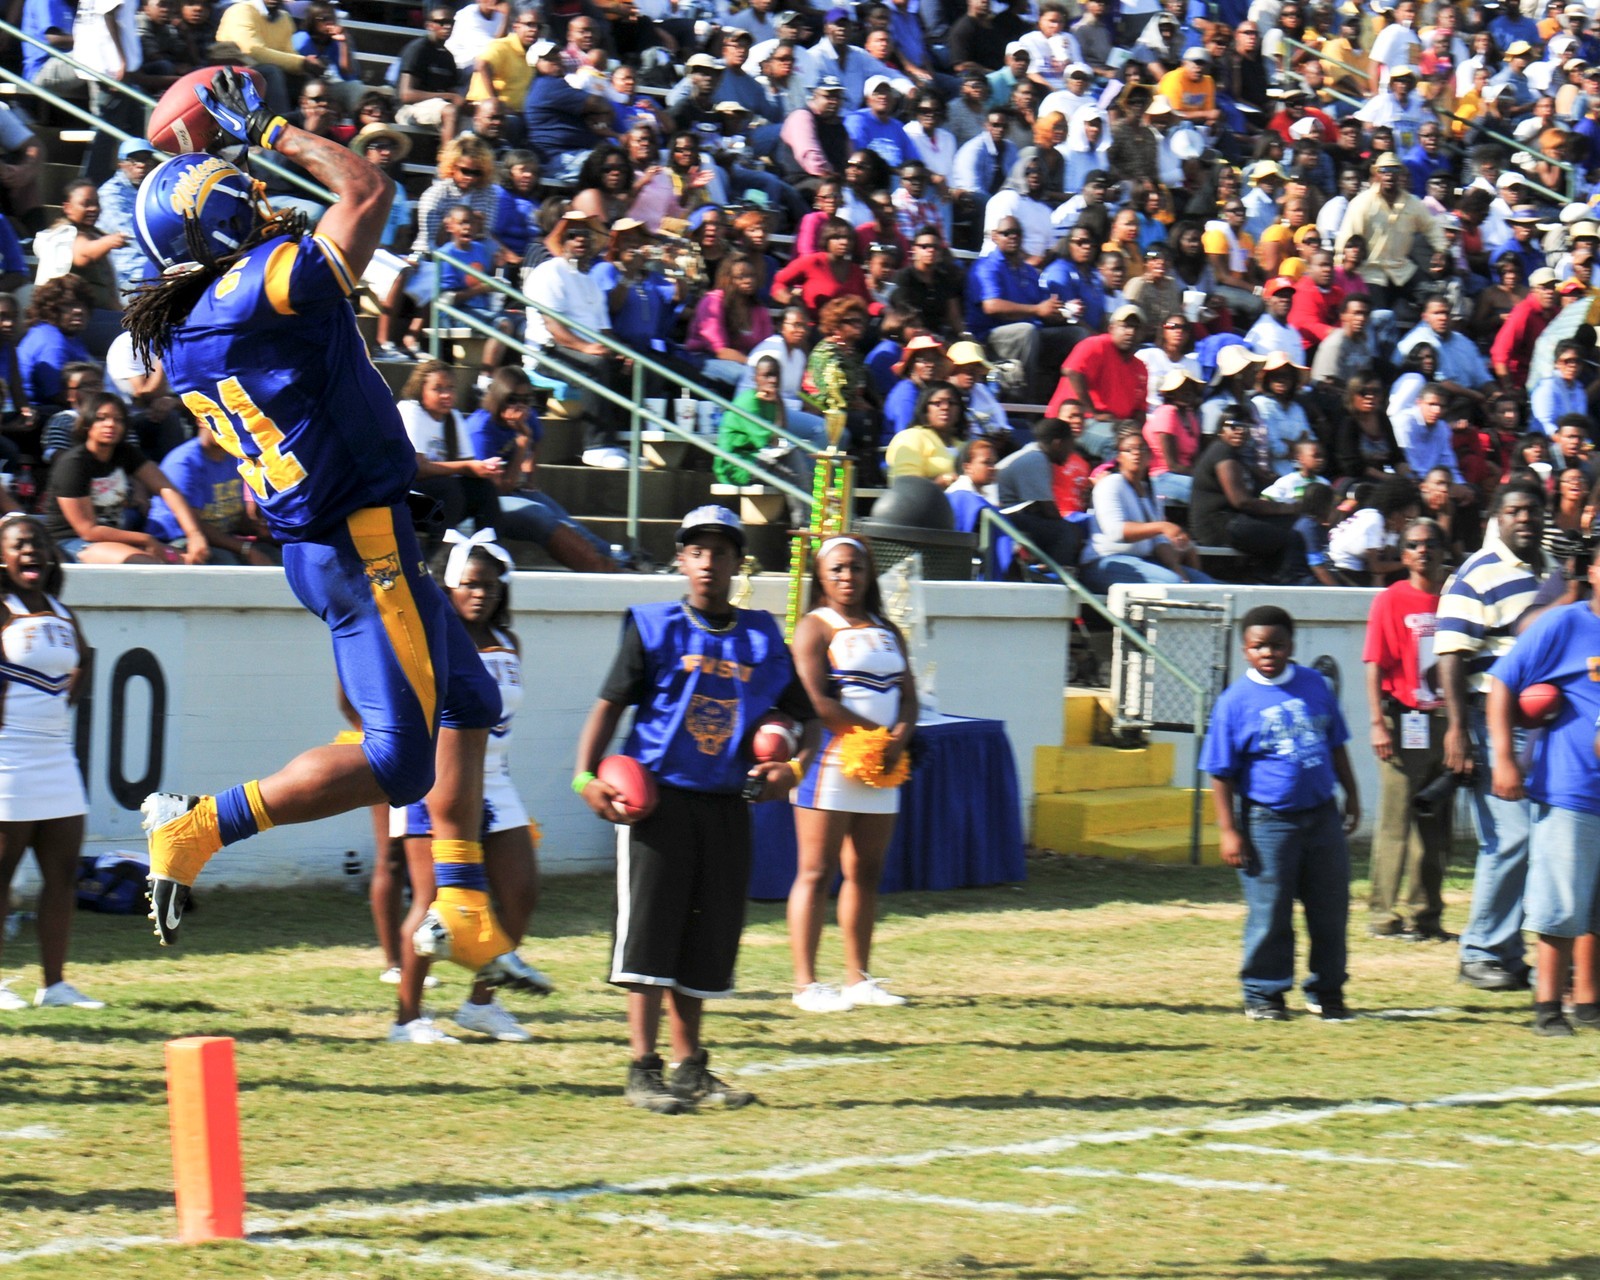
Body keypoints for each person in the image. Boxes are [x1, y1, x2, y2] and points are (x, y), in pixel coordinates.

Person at [123, 70, 548, 1007]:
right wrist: (270, 127)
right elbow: (366, 191)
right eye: (254, 203)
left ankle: (465, 898)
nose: (272, 206)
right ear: (227, 233)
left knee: (472, 698)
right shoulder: (255, 292)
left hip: (339, 537)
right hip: (360, 549)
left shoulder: (196, 320)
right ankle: (200, 826)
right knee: (399, 759)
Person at [573, 506, 815, 1113]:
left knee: (706, 938)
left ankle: (690, 1066)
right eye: (697, 551)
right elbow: (609, 704)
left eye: (722, 552)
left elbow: (805, 714)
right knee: (650, 937)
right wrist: (584, 775)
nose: (709, 563)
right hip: (658, 801)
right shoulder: (654, 627)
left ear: (739, 563)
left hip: (729, 801)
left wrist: (792, 766)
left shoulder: (762, 636)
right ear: (681, 559)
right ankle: (641, 1066)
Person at [389, 531, 547, 1044]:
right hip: (436, 778)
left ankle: (481, 1004)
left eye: (491, 586)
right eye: (470, 585)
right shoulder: (429, 636)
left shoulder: (509, 643)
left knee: (520, 895)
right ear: (447, 587)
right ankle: (408, 1018)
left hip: (496, 779)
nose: (482, 595)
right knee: (432, 900)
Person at [1436, 479, 1569, 992]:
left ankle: (1508, 953)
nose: (1525, 520)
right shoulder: (1477, 573)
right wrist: (1456, 730)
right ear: (1496, 516)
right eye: (1514, 511)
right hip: (1490, 720)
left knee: (1536, 839)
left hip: (1543, 726)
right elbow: (1450, 655)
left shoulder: (1551, 574)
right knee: (1509, 837)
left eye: (1533, 511)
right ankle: (1481, 950)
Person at [1201, 604, 1360, 1022]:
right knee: (1271, 913)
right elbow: (1220, 772)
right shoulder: (1234, 703)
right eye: (1258, 647)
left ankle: (1327, 991)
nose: (1268, 653)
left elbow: (1336, 743)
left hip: (1322, 815)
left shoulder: (1315, 685)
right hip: (1269, 820)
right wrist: (1229, 831)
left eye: (1276, 645)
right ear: (1245, 650)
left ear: (1291, 646)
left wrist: (1352, 794)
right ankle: (1264, 994)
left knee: (1330, 910)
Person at [788, 535, 917, 1013]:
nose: (848, 577)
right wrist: (874, 736)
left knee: (866, 870)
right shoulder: (814, 627)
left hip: (882, 764)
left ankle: (858, 979)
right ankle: (805, 984)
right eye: (838, 569)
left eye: (856, 569)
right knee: (816, 871)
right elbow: (815, 702)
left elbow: (908, 695)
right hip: (829, 762)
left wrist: (897, 740)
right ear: (821, 576)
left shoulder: (888, 629)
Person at [1486, 552, 1600, 1036]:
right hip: (1571, 784)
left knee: (1595, 904)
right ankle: (1548, 1005)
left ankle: (1589, 1000)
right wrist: (1505, 759)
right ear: (1591, 570)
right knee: (1560, 902)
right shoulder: (1565, 625)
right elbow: (1501, 684)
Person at [0, 514, 101, 1011]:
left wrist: (62, 703)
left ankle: (54, 984)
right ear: (3, 556)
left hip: (55, 757)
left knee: (61, 875)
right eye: (19, 545)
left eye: (37, 543)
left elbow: (85, 661)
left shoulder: (63, 612)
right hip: (7, 758)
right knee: (2, 874)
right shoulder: (1, 609)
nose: (30, 552)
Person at [1363, 517, 1454, 943]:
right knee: (1396, 824)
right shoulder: (1390, 599)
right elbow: (1374, 662)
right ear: (1403, 556)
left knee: (1436, 828)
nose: (1423, 551)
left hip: (1446, 723)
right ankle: (1383, 914)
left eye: (1430, 543)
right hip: (1405, 719)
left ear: (1443, 549)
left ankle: (1427, 916)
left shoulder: (1456, 597)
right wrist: (1377, 722)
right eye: (1414, 545)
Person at [39, 392, 209, 565]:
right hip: (72, 543)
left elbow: (166, 488)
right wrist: (145, 539)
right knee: (144, 563)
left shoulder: (124, 452)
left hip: (116, 537)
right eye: (101, 418)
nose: (111, 424)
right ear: (87, 424)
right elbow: (88, 531)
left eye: (118, 419)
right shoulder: (73, 464)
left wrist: (194, 534)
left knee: (188, 562)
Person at [1081, 430, 1211, 589]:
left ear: (1150, 456)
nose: (1136, 453)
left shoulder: (1150, 489)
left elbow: (1159, 541)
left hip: (1144, 561)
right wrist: (1162, 526)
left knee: (1205, 584)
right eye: (1129, 450)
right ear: (1119, 457)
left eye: (1141, 449)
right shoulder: (1110, 484)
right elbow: (1116, 532)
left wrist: (1175, 568)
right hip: (1107, 561)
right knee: (1172, 584)